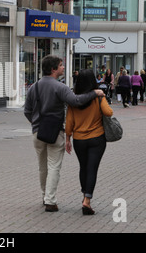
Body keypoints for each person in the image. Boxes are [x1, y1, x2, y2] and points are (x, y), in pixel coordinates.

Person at [24, 56, 105, 212]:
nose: (63, 68)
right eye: (61, 66)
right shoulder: (61, 87)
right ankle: (50, 200)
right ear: (54, 69)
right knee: (54, 166)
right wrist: (95, 93)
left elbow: (27, 111)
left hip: (37, 133)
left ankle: (44, 196)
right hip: (55, 133)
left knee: (42, 167)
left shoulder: (34, 87)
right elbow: (76, 101)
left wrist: (36, 123)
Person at [65, 69, 113, 215]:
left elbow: (69, 122)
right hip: (97, 138)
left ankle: (84, 195)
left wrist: (68, 138)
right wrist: (102, 98)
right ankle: (87, 200)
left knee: (83, 167)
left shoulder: (74, 100)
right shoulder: (98, 97)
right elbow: (108, 112)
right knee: (92, 169)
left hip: (79, 139)